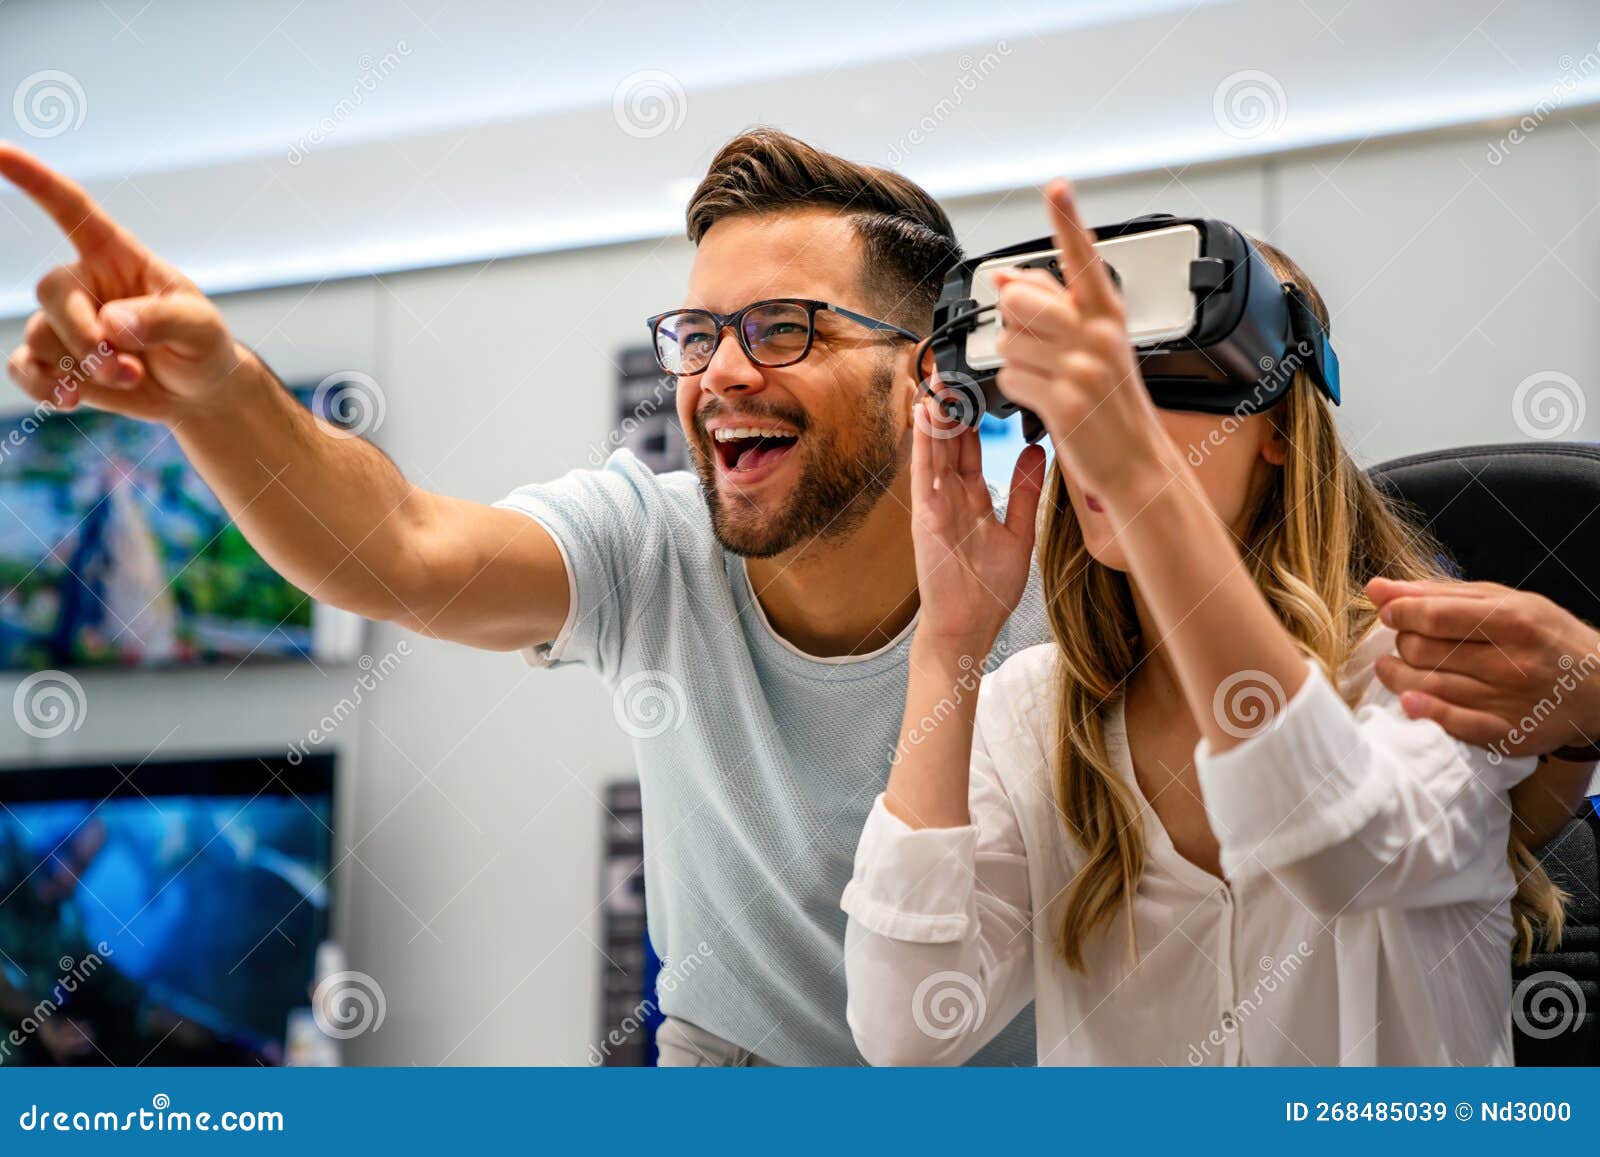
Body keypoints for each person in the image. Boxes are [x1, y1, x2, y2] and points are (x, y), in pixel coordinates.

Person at [1, 132, 1593, 1066]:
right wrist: (217, 390)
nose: (718, 378)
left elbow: (1409, 821)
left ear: (936, 374)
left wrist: (1580, 709)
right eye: (697, 336)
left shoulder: (1092, 554)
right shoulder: (658, 542)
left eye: (781, 328)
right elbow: (398, 551)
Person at [841, 180, 1596, 1066]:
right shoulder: (1030, 714)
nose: (1095, 433)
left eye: (1151, 384)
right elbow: (906, 1029)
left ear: (1276, 424)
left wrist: (1146, 489)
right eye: (1083, 400)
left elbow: (1337, 847)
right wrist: (949, 644)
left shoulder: (1429, 665)